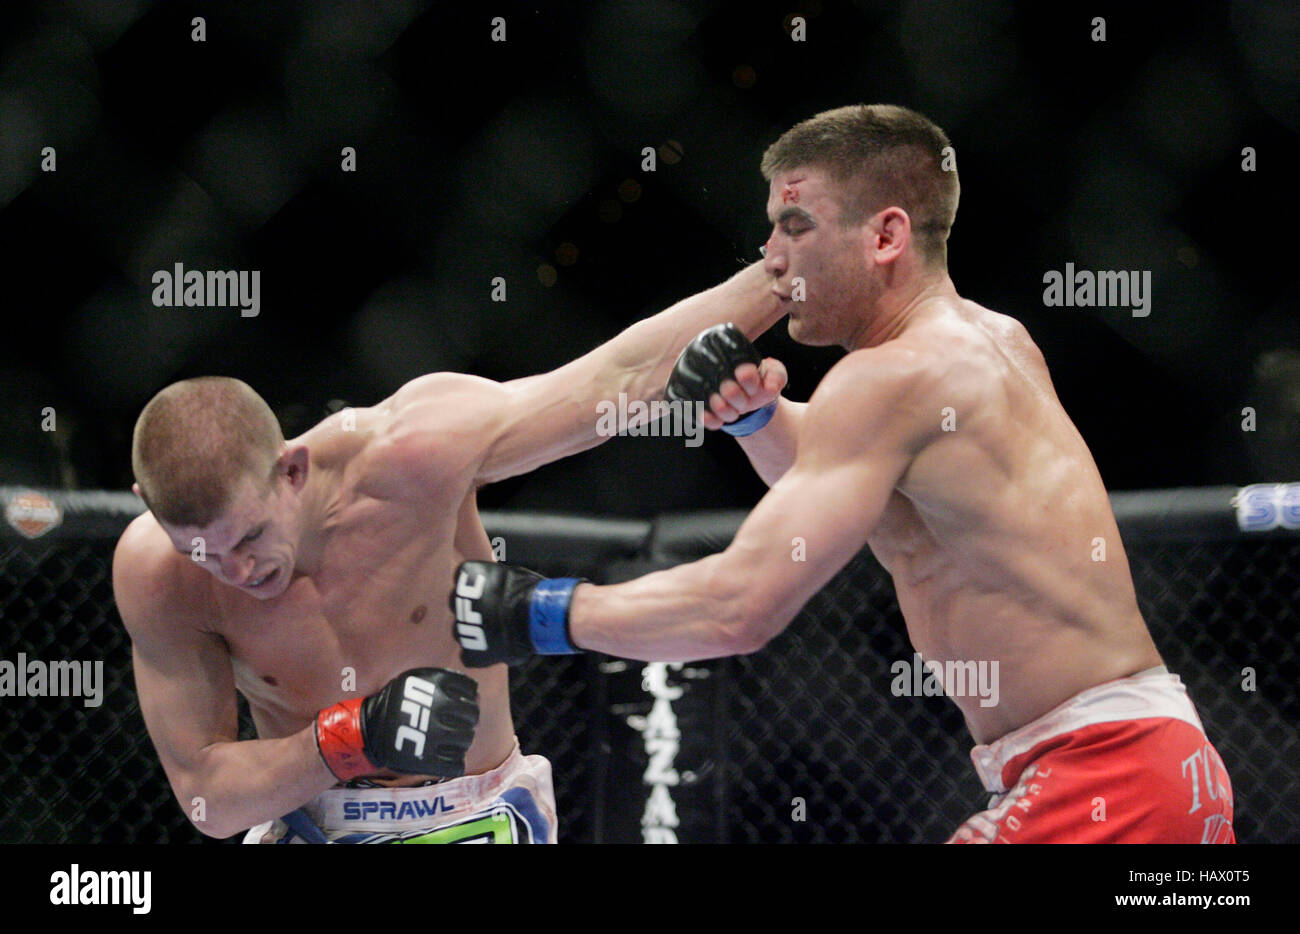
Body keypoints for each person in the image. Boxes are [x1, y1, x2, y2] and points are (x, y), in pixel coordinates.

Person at [451, 104, 1237, 843]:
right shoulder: (993, 340)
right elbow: (903, 512)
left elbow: (740, 608)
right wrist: (763, 422)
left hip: (1100, 773)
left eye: (797, 226)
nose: (773, 258)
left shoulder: (890, 380)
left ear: (886, 235)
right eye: (771, 229)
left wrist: (540, 611)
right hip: (1159, 760)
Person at [112, 264, 782, 843]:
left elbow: (621, 374)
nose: (236, 571)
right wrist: (351, 739)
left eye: (250, 536)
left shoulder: (411, 455)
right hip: (312, 824)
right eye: (202, 551)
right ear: (146, 502)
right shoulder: (156, 573)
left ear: (291, 469)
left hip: (478, 812)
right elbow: (207, 797)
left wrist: (790, 274)